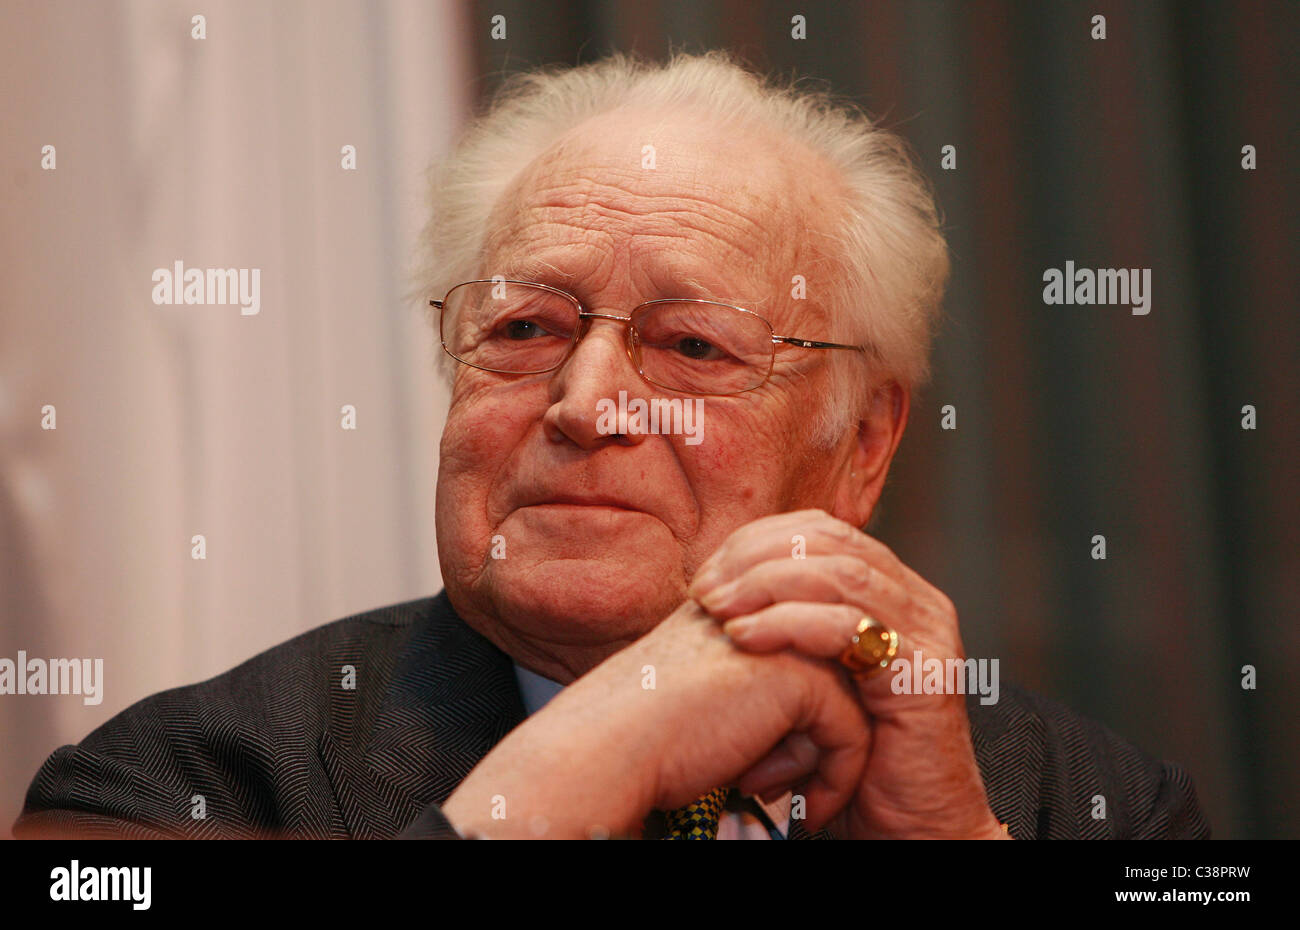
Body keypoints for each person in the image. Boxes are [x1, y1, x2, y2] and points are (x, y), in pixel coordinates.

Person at [14, 52, 1208, 840]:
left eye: (691, 346)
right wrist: (593, 755)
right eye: (525, 327)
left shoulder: (1090, 807)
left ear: (862, 445)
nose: (586, 402)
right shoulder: (172, 790)